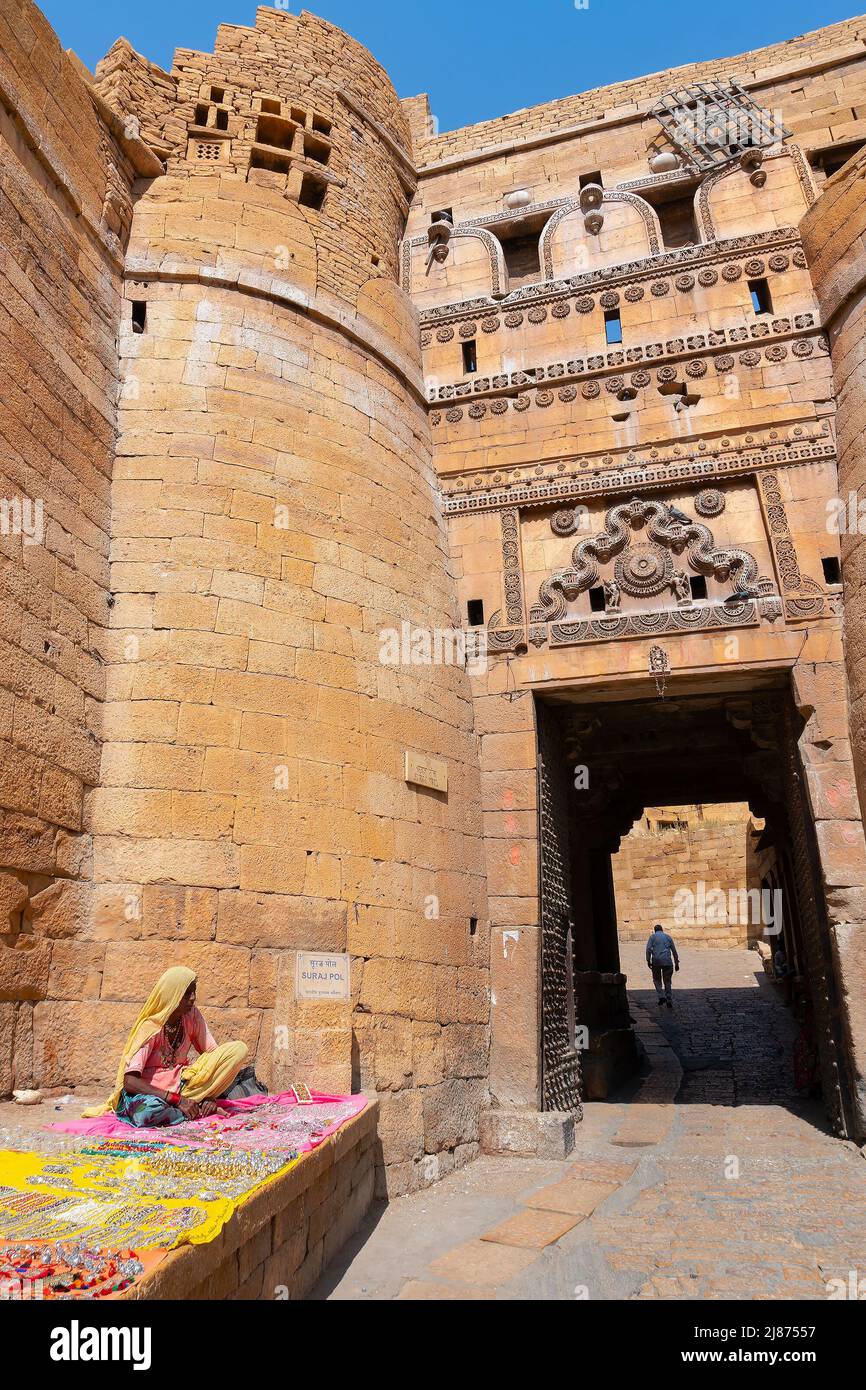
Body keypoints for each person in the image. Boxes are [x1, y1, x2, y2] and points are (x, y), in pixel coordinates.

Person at [83, 965, 265, 1127]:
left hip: (184, 1085)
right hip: (153, 1094)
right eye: (187, 993)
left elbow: (212, 1055)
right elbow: (130, 1082)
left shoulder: (192, 1016)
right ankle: (192, 1109)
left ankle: (194, 1105)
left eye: (194, 992)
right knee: (146, 1113)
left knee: (238, 1049)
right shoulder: (151, 1028)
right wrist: (176, 1100)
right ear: (172, 995)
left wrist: (210, 1094)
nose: (193, 998)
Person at [646, 923, 680, 1009]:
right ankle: (668, 999)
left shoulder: (652, 937)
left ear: (655, 930)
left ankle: (661, 996)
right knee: (667, 981)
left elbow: (648, 949)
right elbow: (674, 951)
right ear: (662, 930)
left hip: (656, 961)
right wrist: (676, 963)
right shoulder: (668, 937)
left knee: (656, 979)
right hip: (667, 961)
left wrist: (648, 960)